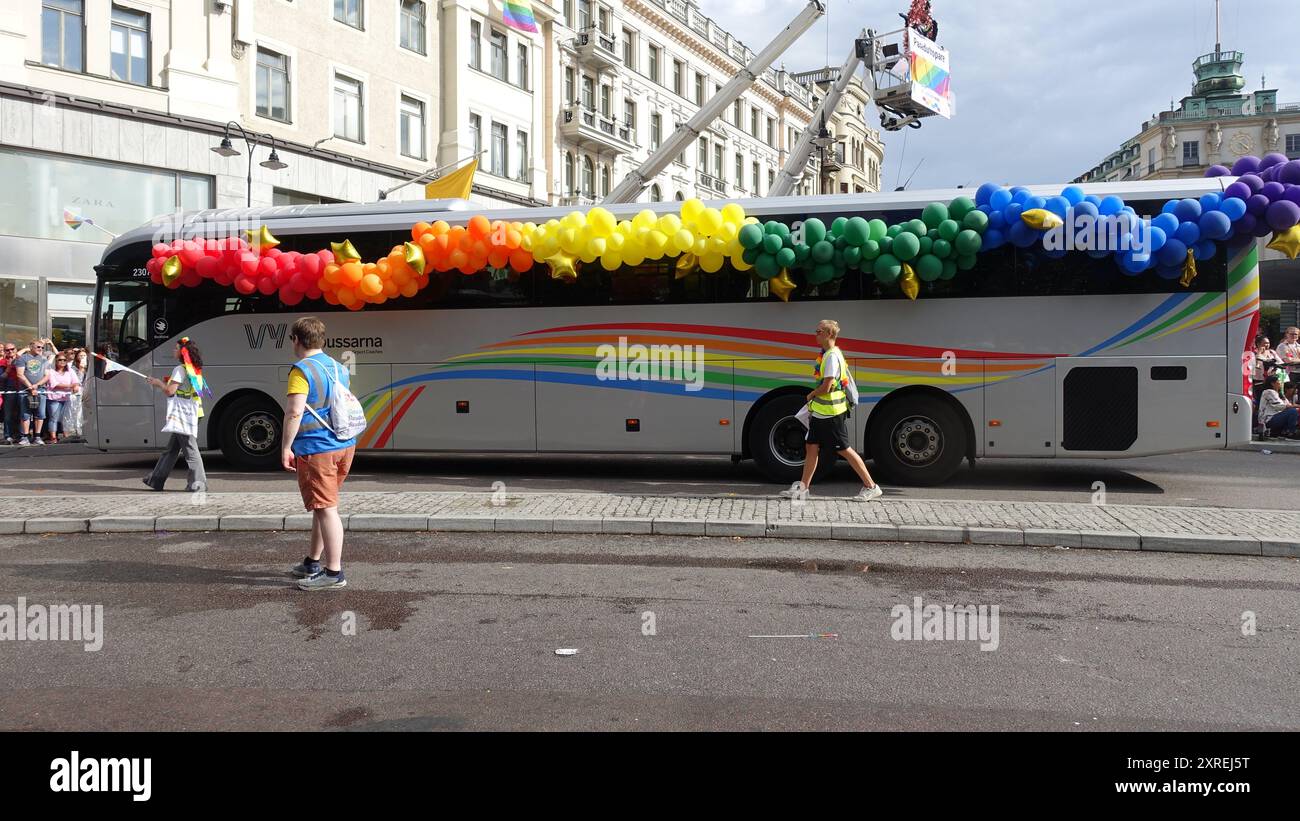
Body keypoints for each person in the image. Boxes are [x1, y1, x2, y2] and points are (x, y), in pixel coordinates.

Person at [281, 316, 357, 591]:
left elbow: (294, 412)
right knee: (322, 506)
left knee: (327, 509)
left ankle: (334, 572)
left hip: (318, 448)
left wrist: (286, 447)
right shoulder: (338, 367)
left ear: (296, 340)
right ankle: (312, 562)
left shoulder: (301, 371)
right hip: (343, 445)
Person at [780, 319, 884, 501]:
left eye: (819, 331)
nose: (815, 334)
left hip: (832, 413)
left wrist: (811, 394)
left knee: (844, 449)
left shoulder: (831, 357)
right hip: (822, 412)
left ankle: (871, 486)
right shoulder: (829, 354)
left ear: (829, 334)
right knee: (811, 447)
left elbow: (827, 386)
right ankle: (803, 489)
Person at [142, 338, 208, 492]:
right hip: (194, 412)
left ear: (182, 352)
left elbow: (170, 391)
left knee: (190, 450)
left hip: (183, 415)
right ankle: (155, 480)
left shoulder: (179, 369)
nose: (173, 350)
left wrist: (158, 383)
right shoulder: (194, 368)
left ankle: (198, 484)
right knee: (171, 450)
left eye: (176, 348)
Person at [14, 339, 51, 446]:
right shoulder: (23, 358)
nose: (41, 349)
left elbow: (47, 375)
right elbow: (20, 374)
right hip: (25, 391)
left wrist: (37, 385)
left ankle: (37, 437)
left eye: (42, 347)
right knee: (25, 414)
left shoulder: (44, 360)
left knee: (40, 414)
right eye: (38, 347)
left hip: (40, 390)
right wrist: (30, 387)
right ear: (31, 347)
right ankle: (25, 437)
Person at [44, 354, 80, 444]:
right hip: (54, 398)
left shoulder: (70, 371)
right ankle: (53, 437)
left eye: (64, 360)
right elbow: (54, 385)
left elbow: (76, 381)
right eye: (60, 360)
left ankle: (66, 436)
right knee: (54, 418)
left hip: (66, 398)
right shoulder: (51, 371)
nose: (62, 362)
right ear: (56, 361)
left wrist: (75, 386)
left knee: (65, 418)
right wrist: (71, 386)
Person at [0, 343, 17, 444]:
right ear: (5, 352)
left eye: (12, 349)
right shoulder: (2, 362)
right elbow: (1, 378)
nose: (10, 351)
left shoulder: (22, 359)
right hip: (9, 389)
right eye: (7, 350)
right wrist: (9, 367)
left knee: (21, 414)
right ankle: (8, 435)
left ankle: (21, 435)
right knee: (8, 414)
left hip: (22, 388)